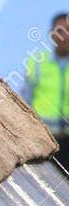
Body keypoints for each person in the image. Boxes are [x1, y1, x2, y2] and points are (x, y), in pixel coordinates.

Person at [20, 11, 69, 170]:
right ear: (52, 35)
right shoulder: (37, 62)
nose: (65, 36)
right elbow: (25, 100)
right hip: (44, 140)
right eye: (60, 31)